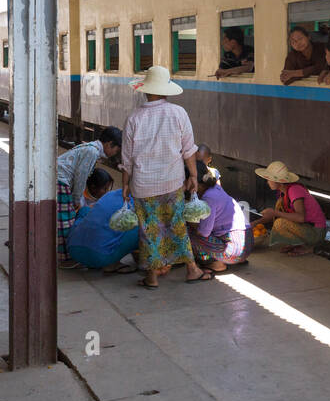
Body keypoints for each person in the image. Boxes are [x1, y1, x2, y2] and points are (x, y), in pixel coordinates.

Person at [120, 65, 209, 286]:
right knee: (177, 225)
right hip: (171, 183)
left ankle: (151, 276)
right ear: (166, 90)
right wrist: (194, 176)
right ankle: (192, 269)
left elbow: (127, 159)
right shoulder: (178, 113)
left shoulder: (134, 118)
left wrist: (125, 184)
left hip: (143, 185)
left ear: (145, 89)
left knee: (149, 229)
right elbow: (189, 150)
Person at [55, 126, 123, 266]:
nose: (116, 153)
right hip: (60, 182)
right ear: (109, 144)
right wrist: (76, 199)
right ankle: (65, 259)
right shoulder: (92, 152)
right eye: (116, 149)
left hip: (58, 180)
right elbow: (81, 177)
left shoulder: (89, 148)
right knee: (66, 222)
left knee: (64, 219)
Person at [65, 171, 140, 272]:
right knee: (140, 228)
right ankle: (112, 264)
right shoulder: (138, 200)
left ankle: (96, 254)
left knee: (85, 210)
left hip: (73, 250)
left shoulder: (109, 195)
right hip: (99, 256)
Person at [188, 161, 251, 271]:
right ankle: (229, 260)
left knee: (190, 232)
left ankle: (214, 264)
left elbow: (204, 232)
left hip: (234, 250)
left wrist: (190, 223)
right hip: (247, 246)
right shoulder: (216, 189)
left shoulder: (209, 198)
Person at [256, 160, 327, 256]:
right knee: (278, 211)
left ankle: (309, 247)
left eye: (269, 179)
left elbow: (300, 218)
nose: (268, 182)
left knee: (280, 223)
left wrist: (275, 213)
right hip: (307, 227)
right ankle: (298, 245)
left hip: (316, 231)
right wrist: (254, 224)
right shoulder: (283, 193)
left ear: (279, 182)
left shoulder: (294, 190)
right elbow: (272, 215)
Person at [57, 162, 116, 270]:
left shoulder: (97, 197)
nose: (106, 192)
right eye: (104, 189)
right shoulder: (79, 197)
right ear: (93, 187)